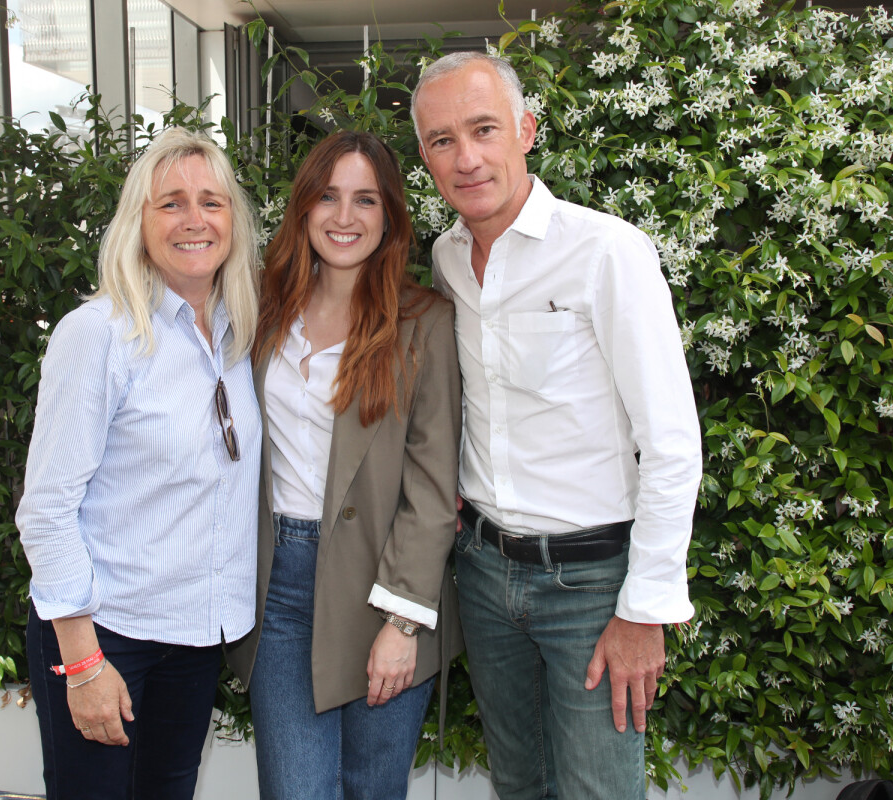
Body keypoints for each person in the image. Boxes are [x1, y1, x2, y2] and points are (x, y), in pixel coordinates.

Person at [410, 52, 703, 800]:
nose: (467, 157)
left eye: (483, 129)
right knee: (520, 785)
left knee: (599, 791)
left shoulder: (606, 252)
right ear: (424, 156)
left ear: (526, 130)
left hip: (593, 585)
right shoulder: (445, 259)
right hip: (484, 571)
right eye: (443, 140)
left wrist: (645, 609)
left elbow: (671, 443)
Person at [16, 127, 262, 800]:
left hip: (193, 635)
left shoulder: (241, 334)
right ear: (139, 223)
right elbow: (46, 510)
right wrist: (84, 661)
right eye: (171, 203)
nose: (194, 220)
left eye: (211, 202)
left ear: (233, 221)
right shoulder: (99, 335)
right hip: (106, 633)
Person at [226, 130, 462, 800]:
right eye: (327, 196)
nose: (344, 216)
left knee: (371, 790)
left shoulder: (423, 322)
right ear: (303, 206)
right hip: (280, 588)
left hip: (381, 585)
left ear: (389, 216)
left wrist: (403, 621)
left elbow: (433, 485)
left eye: (364, 200)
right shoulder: (259, 307)